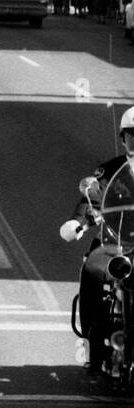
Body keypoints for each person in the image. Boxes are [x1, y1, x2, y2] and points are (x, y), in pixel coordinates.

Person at [64, 106, 134, 383]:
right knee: (92, 269)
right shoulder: (112, 170)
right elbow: (92, 199)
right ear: (123, 138)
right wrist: (78, 222)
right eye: (132, 135)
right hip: (117, 242)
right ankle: (94, 339)